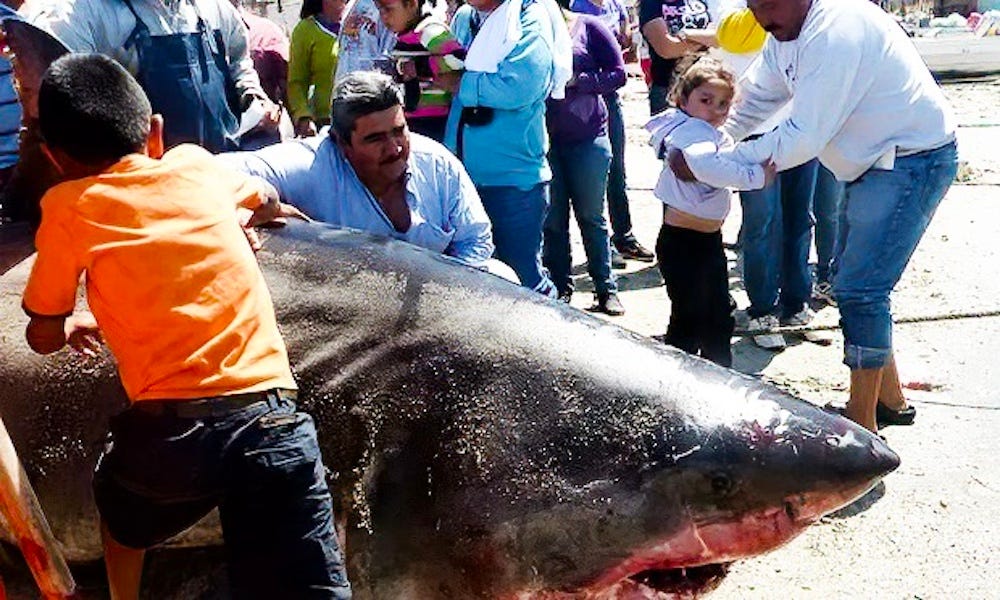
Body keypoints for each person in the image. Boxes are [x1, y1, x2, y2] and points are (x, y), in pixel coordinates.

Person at [22, 54, 351, 599]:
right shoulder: (197, 167)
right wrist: (254, 214)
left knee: (120, 509)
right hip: (271, 423)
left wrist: (67, 324)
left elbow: (41, 333)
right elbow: (266, 197)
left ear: (53, 158)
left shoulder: (68, 206)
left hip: (172, 439)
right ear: (154, 134)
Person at [675, 0, 957, 431]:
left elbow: (802, 138)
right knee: (859, 281)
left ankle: (862, 424)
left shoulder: (835, 29)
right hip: (867, 161)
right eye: (752, 5)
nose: (760, 19)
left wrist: (715, 164)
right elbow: (755, 102)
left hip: (911, 158)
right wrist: (705, 141)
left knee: (862, 290)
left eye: (766, 5)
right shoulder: (783, 32)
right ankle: (891, 400)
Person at [221, 71, 495, 268]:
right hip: (347, 312)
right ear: (341, 143)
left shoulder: (437, 165)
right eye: (375, 139)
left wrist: (446, 295)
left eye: (399, 132)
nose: (394, 148)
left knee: (501, 275)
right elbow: (210, 171)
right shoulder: (310, 164)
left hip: (438, 303)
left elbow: (476, 241)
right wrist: (258, 197)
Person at [24, 0, 281, 153]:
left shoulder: (212, 7)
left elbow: (238, 61)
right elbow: (63, 113)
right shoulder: (78, 15)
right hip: (139, 192)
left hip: (224, 175)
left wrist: (253, 97)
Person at [646, 56, 771, 366]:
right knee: (690, 318)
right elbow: (706, 166)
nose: (716, 110)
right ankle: (684, 386)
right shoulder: (693, 133)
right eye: (706, 100)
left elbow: (721, 158)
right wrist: (756, 177)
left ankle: (714, 378)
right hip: (683, 241)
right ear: (683, 99)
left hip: (705, 240)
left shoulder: (703, 132)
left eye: (723, 104)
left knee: (715, 315)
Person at [445, 0, 559, 296]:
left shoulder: (529, 17)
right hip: (461, 178)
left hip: (512, 180)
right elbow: (443, 64)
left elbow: (520, 87)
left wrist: (462, 84)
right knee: (472, 280)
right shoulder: (465, 18)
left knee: (523, 282)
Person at [543, 10, 626, 314]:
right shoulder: (529, 29)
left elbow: (618, 73)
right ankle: (560, 287)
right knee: (552, 220)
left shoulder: (589, 26)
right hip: (544, 139)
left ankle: (605, 289)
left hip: (588, 137)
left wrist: (581, 80)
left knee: (592, 217)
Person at [570, 0, 656, 267]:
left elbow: (624, 50)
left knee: (617, 171)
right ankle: (604, 244)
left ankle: (624, 235)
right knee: (597, 175)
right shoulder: (578, 7)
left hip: (610, 96)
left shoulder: (615, 6)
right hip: (583, 100)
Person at [376, 0, 465, 142]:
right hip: (410, 116)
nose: (383, 16)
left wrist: (422, 67)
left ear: (412, 4)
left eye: (388, 9)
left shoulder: (429, 31)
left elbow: (457, 58)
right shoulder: (404, 36)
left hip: (431, 119)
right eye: (380, 10)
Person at [637, 0, 710, 115]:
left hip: (710, 82)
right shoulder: (651, 4)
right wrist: (708, 41)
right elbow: (667, 48)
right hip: (669, 87)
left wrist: (687, 39)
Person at [289, 0, 346, 137]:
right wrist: (303, 117)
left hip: (364, 115)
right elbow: (297, 82)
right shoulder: (305, 30)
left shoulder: (363, 25)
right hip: (325, 122)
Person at [334, 0, 397, 84]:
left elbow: (388, 55)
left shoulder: (387, 7)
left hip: (370, 85)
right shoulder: (351, 4)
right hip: (344, 83)